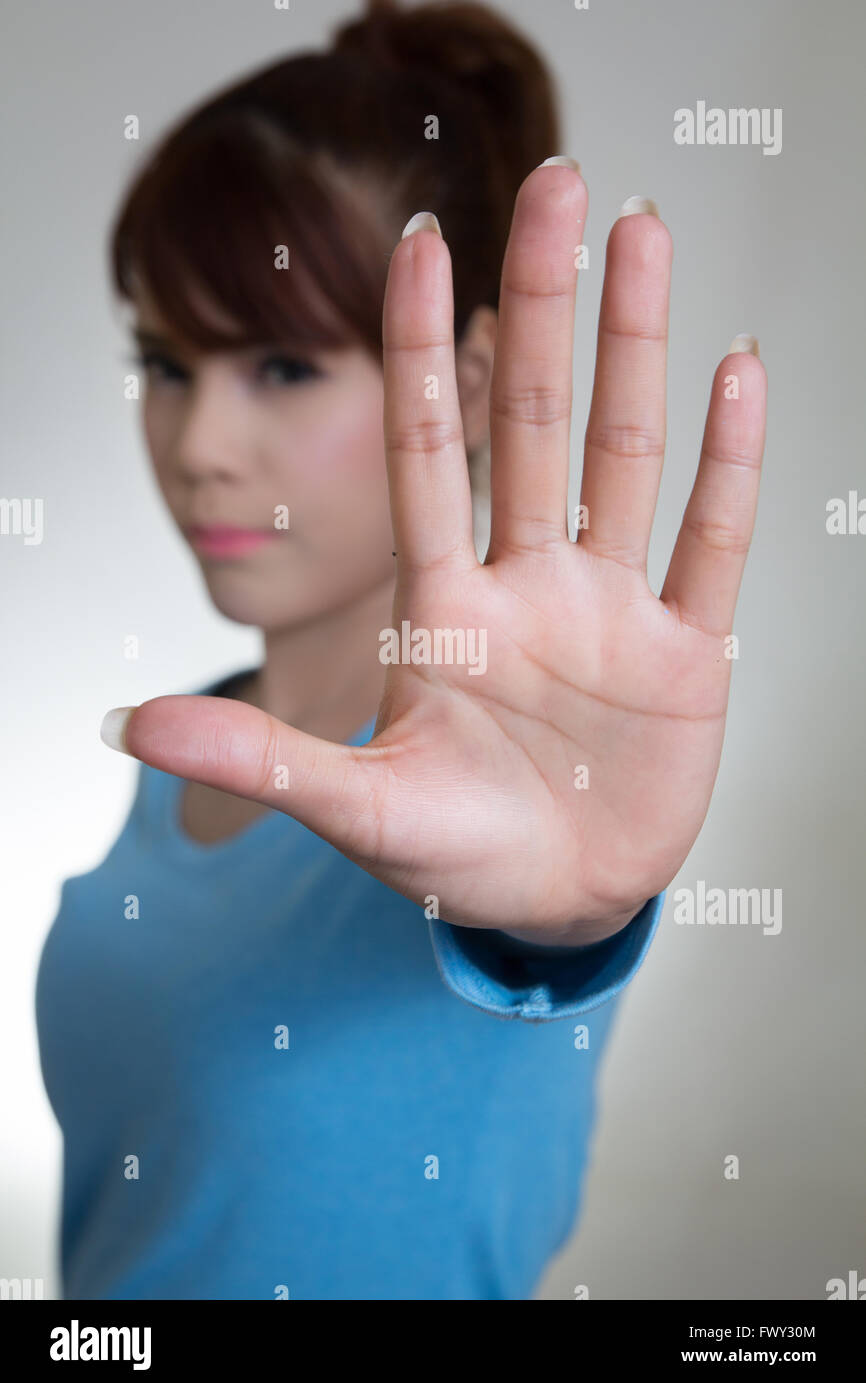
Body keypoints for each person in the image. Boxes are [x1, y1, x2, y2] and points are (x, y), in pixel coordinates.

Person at [35, 0, 767, 1300]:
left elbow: (536, 915)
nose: (198, 441)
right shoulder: (184, 752)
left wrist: (571, 914)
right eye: (164, 359)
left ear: (467, 384)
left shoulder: (507, 800)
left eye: (279, 363)